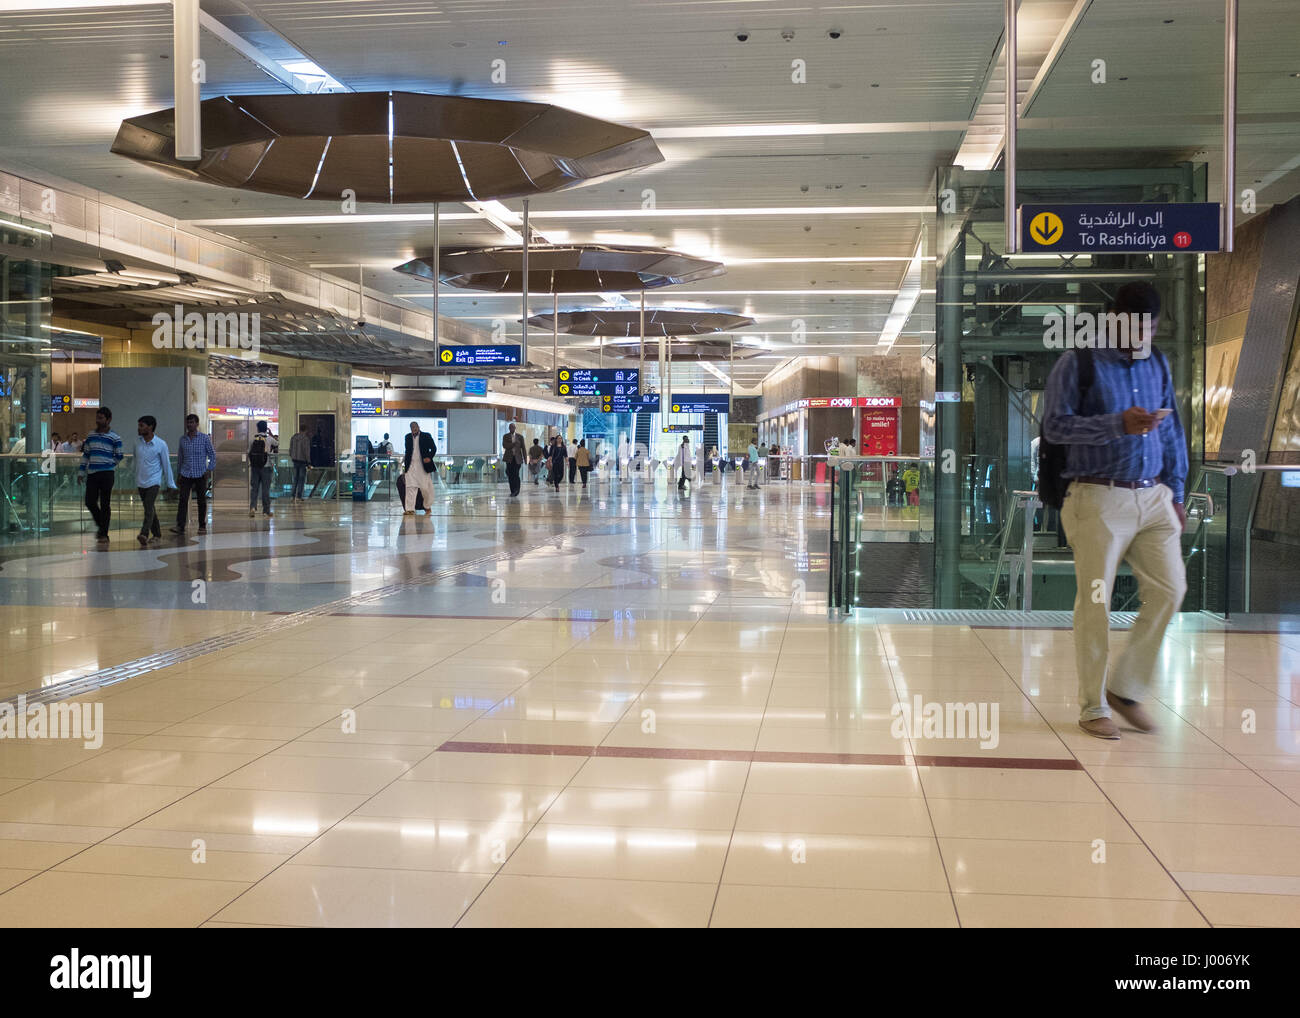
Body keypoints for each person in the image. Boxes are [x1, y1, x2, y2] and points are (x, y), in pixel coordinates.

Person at [1042, 281, 1188, 741]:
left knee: (1170, 590)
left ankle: (1126, 689)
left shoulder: (1159, 364)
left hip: (1154, 497)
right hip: (1097, 498)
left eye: (1149, 325)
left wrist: (1177, 492)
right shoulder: (1079, 363)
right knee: (1097, 601)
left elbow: (1172, 432)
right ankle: (1093, 706)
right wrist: (1115, 424)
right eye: (1133, 323)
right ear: (1113, 319)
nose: (1140, 333)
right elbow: (1055, 425)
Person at [79, 406, 123, 545]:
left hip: (107, 474)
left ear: (108, 420)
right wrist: (81, 472)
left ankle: (103, 532)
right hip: (92, 473)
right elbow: (86, 455)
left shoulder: (115, 437)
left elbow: (119, 455)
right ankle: (102, 525)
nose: (98, 420)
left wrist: (110, 465)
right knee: (89, 501)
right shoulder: (91, 435)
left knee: (105, 503)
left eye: (101, 418)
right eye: (97, 417)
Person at [134, 415, 175, 547]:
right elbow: (135, 462)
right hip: (141, 481)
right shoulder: (137, 443)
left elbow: (166, 464)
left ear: (150, 427)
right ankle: (157, 534)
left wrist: (170, 484)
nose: (139, 428)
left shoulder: (161, 444)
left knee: (148, 506)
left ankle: (144, 534)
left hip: (154, 481)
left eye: (142, 426)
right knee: (150, 507)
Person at [172, 413, 215, 535]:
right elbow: (180, 458)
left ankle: (202, 525)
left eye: (192, 422)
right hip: (186, 474)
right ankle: (180, 526)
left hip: (200, 473)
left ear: (197, 424)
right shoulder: (183, 439)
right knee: (183, 500)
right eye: (188, 422)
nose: (190, 425)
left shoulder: (204, 438)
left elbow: (212, 454)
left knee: (201, 500)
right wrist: (178, 473)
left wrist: (209, 469)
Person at [402, 421, 436, 514]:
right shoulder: (407, 437)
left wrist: (429, 457)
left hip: (423, 465)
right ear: (410, 429)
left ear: (418, 427)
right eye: (412, 427)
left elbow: (433, 448)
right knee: (410, 487)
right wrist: (405, 466)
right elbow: (407, 452)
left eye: (415, 426)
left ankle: (427, 506)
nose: (414, 428)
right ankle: (410, 509)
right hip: (411, 466)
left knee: (425, 488)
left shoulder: (426, 436)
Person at [247, 420, 277, 517]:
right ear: (266, 428)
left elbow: (249, 452)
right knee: (265, 489)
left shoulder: (253, 439)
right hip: (266, 466)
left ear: (258, 428)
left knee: (254, 488)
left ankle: (252, 507)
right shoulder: (269, 439)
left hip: (255, 467)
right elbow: (277, 444)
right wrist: (270, 434)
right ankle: (266, 510)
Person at [501, 422, 526, 497]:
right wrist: (513, 444)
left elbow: (523, 448)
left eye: (513, 427)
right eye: (510, 427)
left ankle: (517, 490)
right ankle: (512, 490)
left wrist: (525, 459)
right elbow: (505, 446)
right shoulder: (505, 436)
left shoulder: (520, 437)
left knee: (516, 474)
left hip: (517, 459)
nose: (512, 429)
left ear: (515, 428)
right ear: (509, 428)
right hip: (509, 459)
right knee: (510, 475)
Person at [289, 423, 311, 500]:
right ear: (306, 430)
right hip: (302, 461)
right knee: (301, 479)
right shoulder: (306, 439)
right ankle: (299, 496)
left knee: (295, 479)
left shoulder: (293, 437)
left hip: (295, 460)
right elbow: (306, 451)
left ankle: (292, 496)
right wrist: (308, 462)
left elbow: (290, 449)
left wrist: (292, 456)